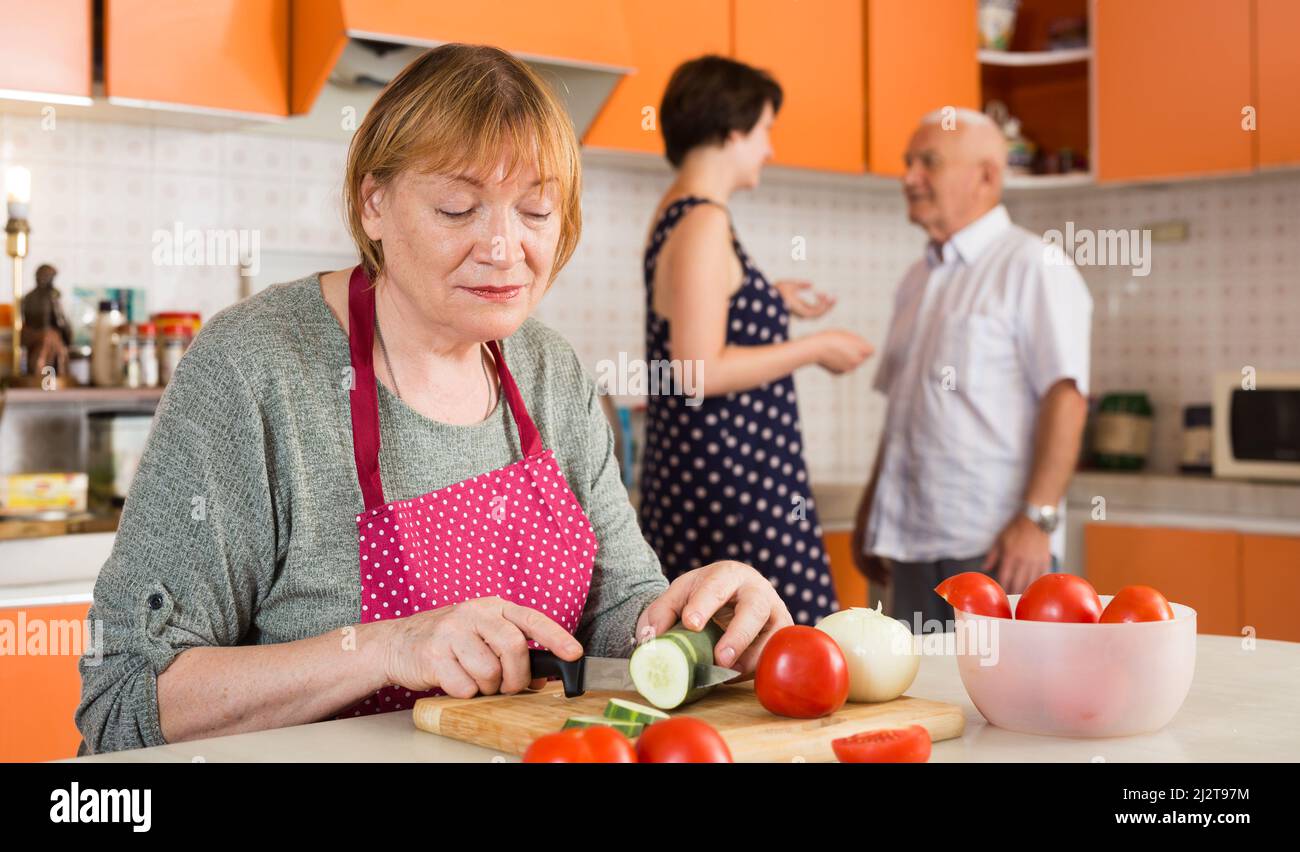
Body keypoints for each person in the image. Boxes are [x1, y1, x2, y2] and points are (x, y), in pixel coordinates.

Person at [76, 44, 791, 754]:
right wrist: (385, 648)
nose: (504, 246)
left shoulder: (550, 371)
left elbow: (621, 618)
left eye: (537, 210)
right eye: (458, 208)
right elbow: (127, 701)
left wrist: (708, 625)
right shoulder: (255, 368)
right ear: (374, 202)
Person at [638, 55, 874, 625]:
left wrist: (769, 297)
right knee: (783, 642)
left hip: (702, 475)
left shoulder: (675, 212)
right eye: (765, 129)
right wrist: (816, 347)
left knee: (713, 655)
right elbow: (701, 369)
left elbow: (701, 312)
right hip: (739, 484)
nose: (769, 148)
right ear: (732, 128)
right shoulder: (703, 221)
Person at [852, 108, 1092, 631]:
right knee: (928, 697)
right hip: (911, 542)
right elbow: (904, 409)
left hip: (998, 550)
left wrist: (1037, 520)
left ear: (986, 176)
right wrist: (873, 511)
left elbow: (1066, 397)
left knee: (1012, 706)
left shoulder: (1033, 266)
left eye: (928, 163)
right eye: (908, 162)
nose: (908, 177)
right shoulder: (917, 278)